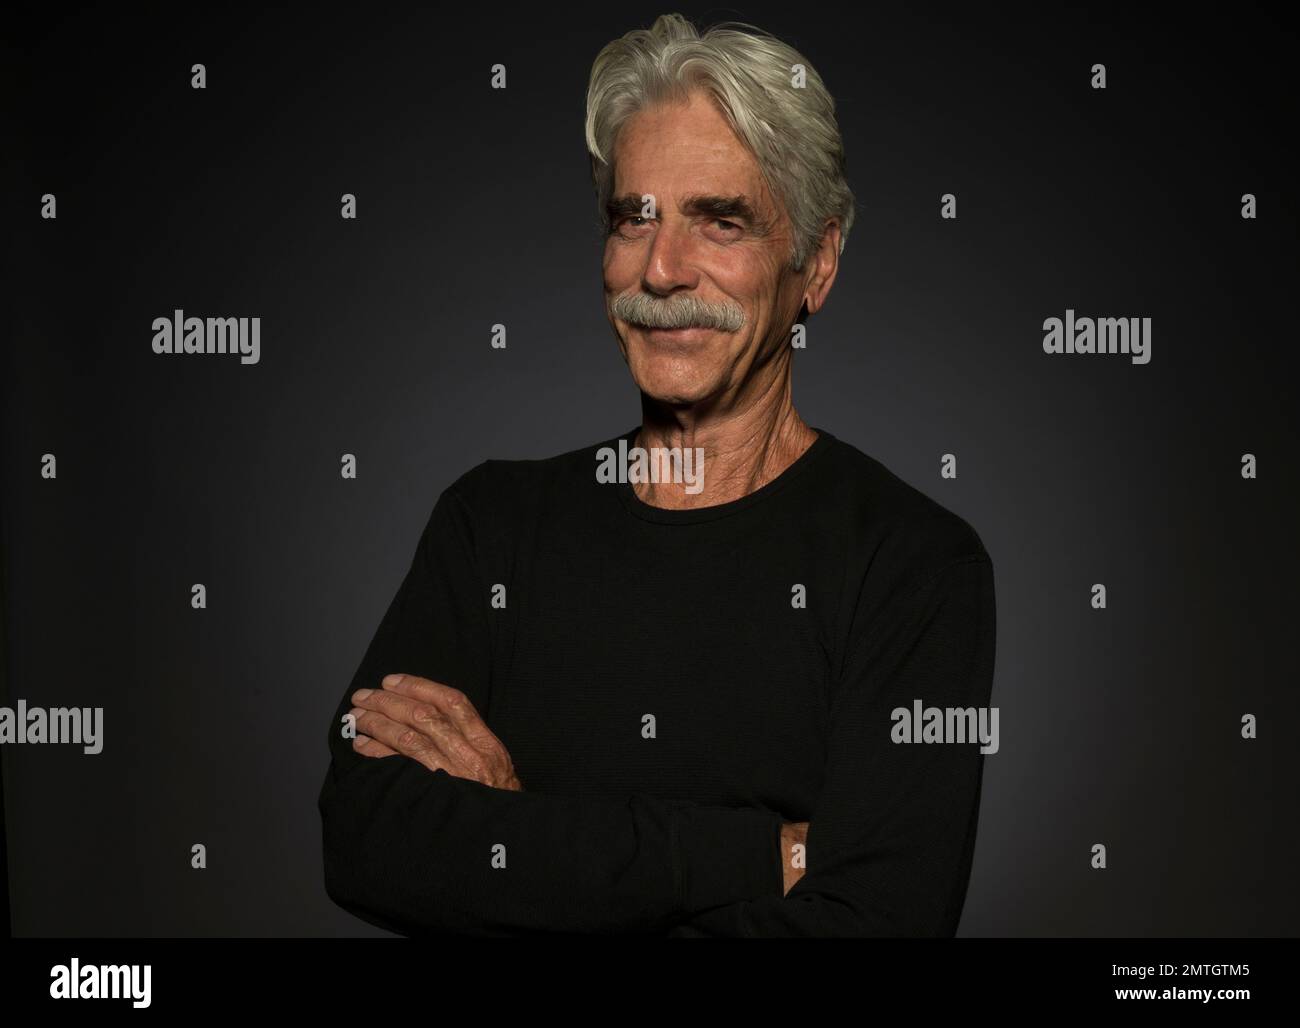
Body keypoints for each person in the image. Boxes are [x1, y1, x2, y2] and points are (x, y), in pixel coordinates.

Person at [317, 12, 996, 937]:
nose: (663, 269)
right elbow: (366, 840)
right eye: (634, 218)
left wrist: (516, 832)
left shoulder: (912, 566)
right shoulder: (490, 527)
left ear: (817, 265)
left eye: (721, 222)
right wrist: (758, 854)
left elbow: (875, 924)